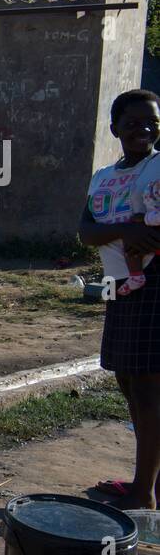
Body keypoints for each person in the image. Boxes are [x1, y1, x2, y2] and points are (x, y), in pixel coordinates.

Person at [79, 89, 160, 510]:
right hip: (117, 283)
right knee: (127, 380)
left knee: (148, 387)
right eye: (132, 123)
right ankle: (145, 482)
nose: (144, 129)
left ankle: (144, 493)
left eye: (152, 121)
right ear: (115, 129)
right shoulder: (103, 177)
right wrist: (126, 231)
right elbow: (86, 232)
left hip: (153, 282)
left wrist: (134, 233)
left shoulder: (159, 167)